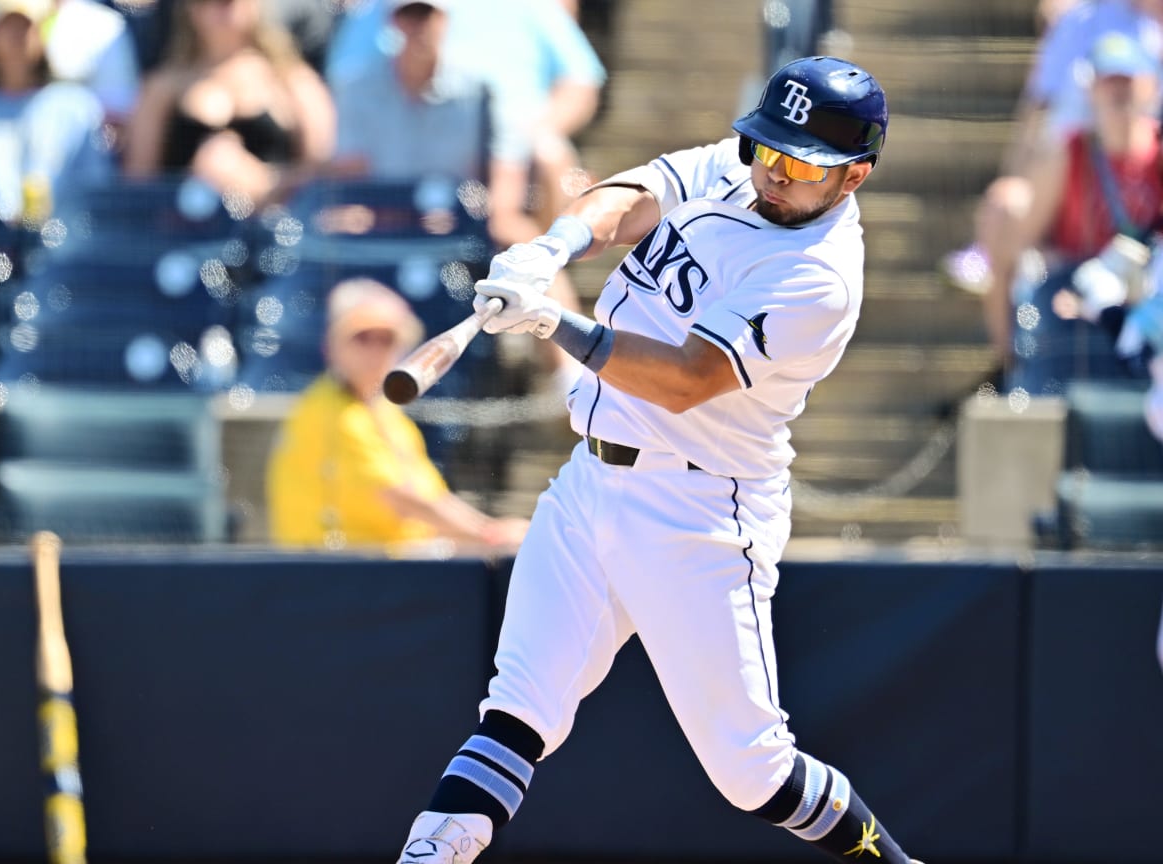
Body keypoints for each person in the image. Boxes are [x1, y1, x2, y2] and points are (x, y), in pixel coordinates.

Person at [390, 57, 926, 864]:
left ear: (852, 177)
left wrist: (551, 325)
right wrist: (553, 246)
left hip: (700, 516)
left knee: (753, 773)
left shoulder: (817, 277)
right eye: (767, 152)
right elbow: (633, 198)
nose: (772, 175)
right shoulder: (743, 170)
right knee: (518, 711)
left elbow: (684, 381)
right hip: (589, 484)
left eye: (797, 165)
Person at [331, 0, 582, 387]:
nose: (417, 27)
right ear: (392, 22)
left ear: (444, 21)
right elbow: (352, 184)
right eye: (408, 15)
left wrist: (479, 215)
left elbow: (504, 180)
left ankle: (570, 376)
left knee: (527, 247)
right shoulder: (359, 87)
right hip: (385, 228)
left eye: (426, 15)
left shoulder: (479, 89)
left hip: (466, 227)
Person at [266, 278, 529, 554]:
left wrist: (491, 531)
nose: (375, 349)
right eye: (362, 337)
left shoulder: (384, 411)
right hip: (336, 577)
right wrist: (490, 534)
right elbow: (403, 500)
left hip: (384, 569)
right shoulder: (330, 412)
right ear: (331, 346)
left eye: (386, 338)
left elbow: (431, 497)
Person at [985, 31, 1162, 379]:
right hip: (1076, 291)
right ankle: (1007, 363)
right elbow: (1029, 239)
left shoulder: (1158, 151)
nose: (1118, 92)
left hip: (1147, 294)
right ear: (1091, 89)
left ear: (1149, 85)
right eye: (1109, 81)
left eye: (1126, 81)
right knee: (1002, 207)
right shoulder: (1069, 152)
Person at [122, 0, 334, 209]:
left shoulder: (294, 82)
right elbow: (139, 181)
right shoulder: (161, 88)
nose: (222, 8)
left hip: (275, 233)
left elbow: (320, 171)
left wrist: (258, 182)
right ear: (191, 9)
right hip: (184, 235)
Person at [0, 0, 111, 224]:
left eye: (26, 27)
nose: (17, 37)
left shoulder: (78, 109)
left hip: (61, 247)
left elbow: (95, 194)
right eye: (7, 26)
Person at [0, 0, 139, 123]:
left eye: (25, 30)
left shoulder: (105, 28)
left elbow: (117, 126)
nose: (17, 38)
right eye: (9, 29)